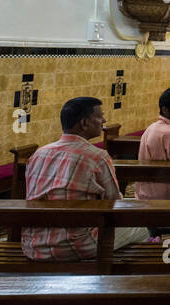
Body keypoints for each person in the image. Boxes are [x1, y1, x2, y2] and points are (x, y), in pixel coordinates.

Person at [21, 97, 150, 261]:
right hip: (75, 244)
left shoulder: (39, 153)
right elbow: (115, 203)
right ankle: (112, 275)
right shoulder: (97, 157)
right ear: (84, 123)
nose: (104, 120)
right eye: (100, 116)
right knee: (142, 228)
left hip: (34, 244)